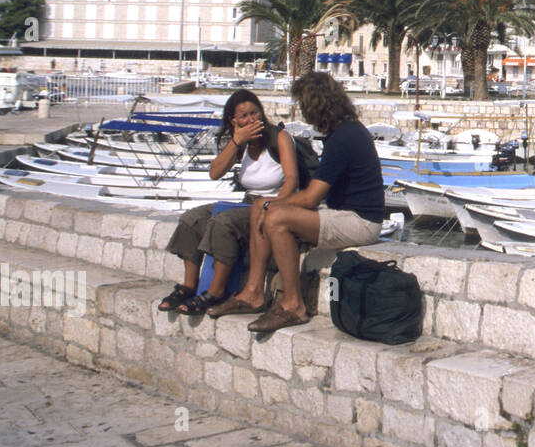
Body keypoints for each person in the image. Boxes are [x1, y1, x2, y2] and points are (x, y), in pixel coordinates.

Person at [209, 71, 384, 333]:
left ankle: (293, 305)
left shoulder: (344, 137)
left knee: (276, 217)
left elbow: (312, 195)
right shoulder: (344, 131)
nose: (302, 111)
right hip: (342, 213)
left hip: (361, 221)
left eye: (304, 105)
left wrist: (276, 206)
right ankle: (252, 292)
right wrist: (269, 204)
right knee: (260, 206)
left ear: (316, 105)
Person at [157, 90, 298, 315]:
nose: (252, 120)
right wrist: (237, 140)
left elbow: (292, 178)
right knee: (191, 219)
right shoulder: (242, 143)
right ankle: (189, 286)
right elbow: (215, 172)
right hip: (247, 202)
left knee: (223, 223)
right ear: (234, 121)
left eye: (255, 113)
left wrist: (274, 205)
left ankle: (216, 291)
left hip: (272, 204)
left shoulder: (278, 137)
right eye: (244, 116)